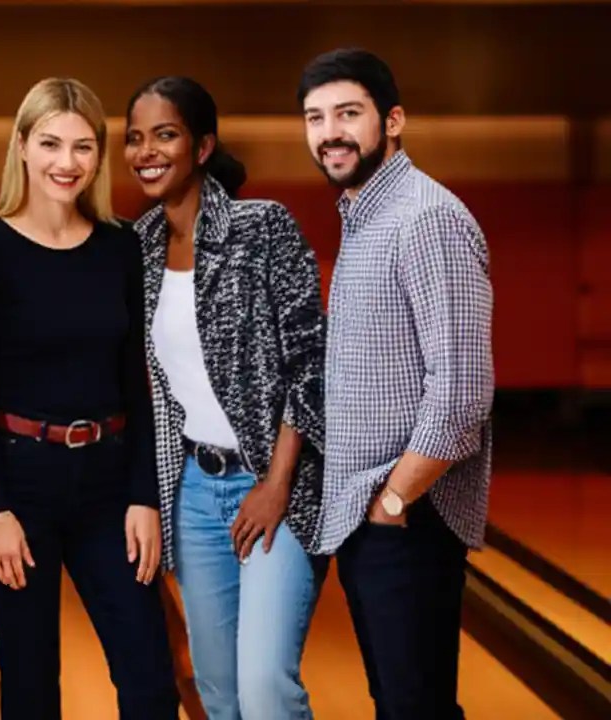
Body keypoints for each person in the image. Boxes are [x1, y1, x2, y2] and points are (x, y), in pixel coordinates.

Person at [0, 76, 180, 720]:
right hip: (20, 483)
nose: (66, 163)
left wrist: (144, 496)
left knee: (149, 678)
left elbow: (136, 378)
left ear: (98, 157)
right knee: (30, 685)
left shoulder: (119, 246)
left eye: (83, 147)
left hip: (108, 485)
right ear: (22, 146)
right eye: (51, 143)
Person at [125, 75, 329, 719]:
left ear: (203, 146)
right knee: (217, 693)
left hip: (275, 485)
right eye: (134, 138)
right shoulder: (137, 248)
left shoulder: (262, 228)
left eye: (166, 134)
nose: (146, 151)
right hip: (191, 492)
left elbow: (310, 363)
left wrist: (276, 481)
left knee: (267, 686)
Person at [298, 48, 494, 718]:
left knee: (416, 707)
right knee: (402, 704)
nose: (330, 132)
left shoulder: (425, 218)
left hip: (407, 518)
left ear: (394, 120)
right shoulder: (364, 216)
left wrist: (393, 499)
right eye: (315, 117)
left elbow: (463, 391)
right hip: (372, 516)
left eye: (348, 114)